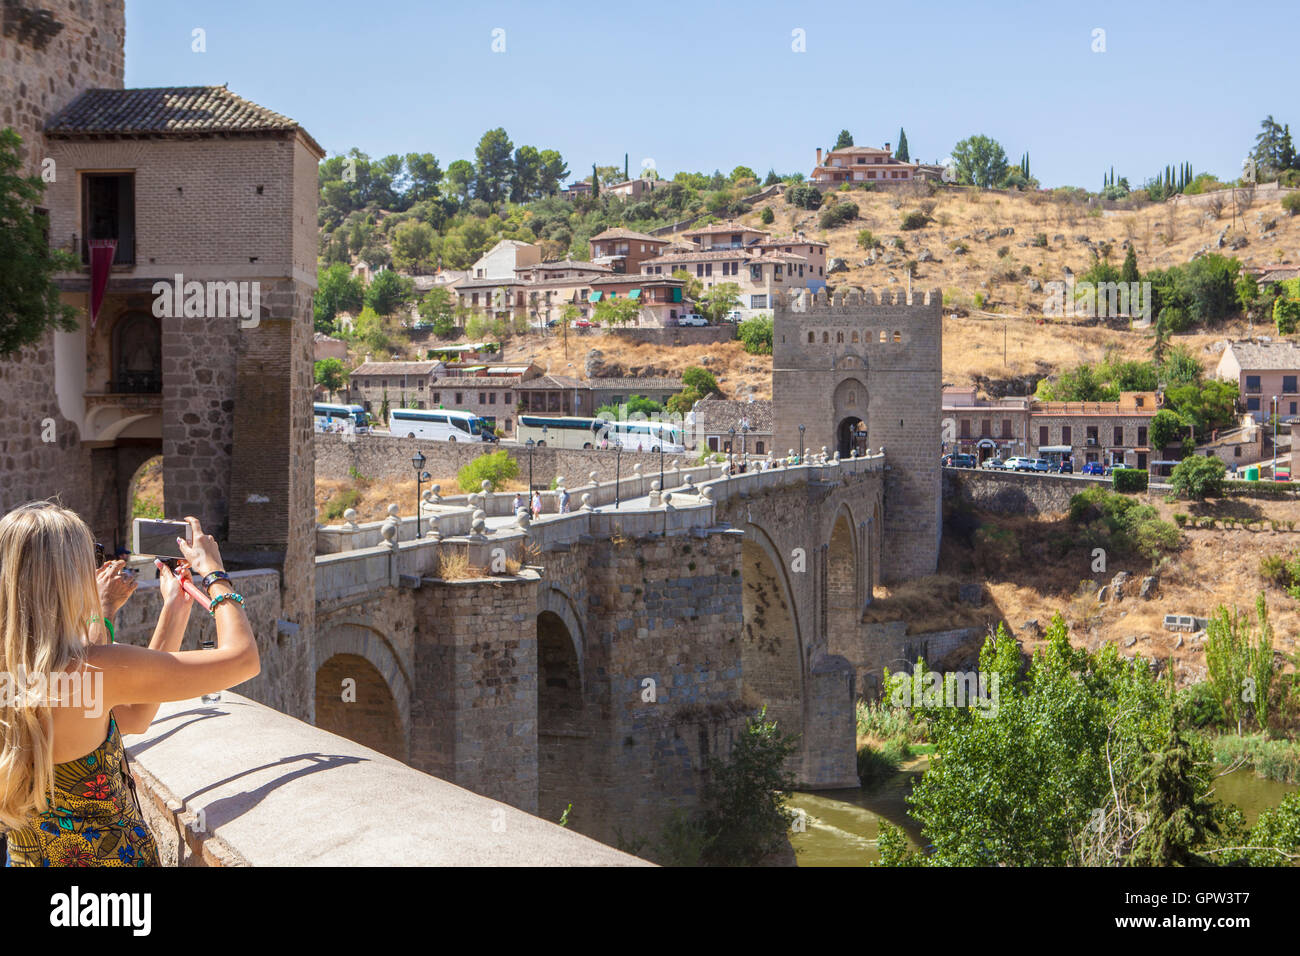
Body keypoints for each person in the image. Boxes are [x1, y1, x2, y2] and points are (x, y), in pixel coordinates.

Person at [0, 502, 259, 867]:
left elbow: (134, 716)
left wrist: (173, 610)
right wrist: (213, 573)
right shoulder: (93, 670)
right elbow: (243, 658)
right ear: (69, 576)